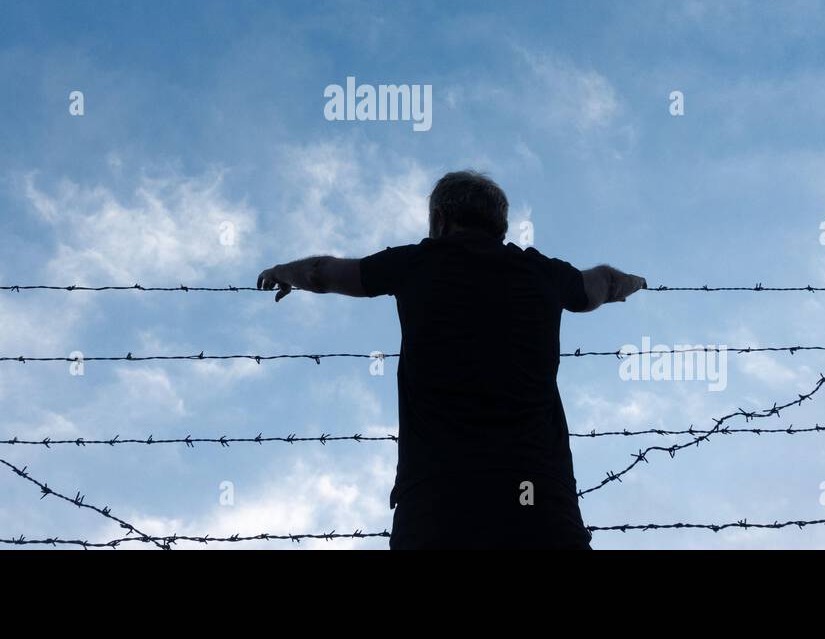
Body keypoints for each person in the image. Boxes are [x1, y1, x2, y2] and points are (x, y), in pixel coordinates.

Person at [257, 169, 647, 550]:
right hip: (537, 496)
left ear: (440, 220)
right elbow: (604, 284)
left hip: (437, 502)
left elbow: (322, 273)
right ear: (499, 227)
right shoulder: (542, 272)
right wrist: (635, 282)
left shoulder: (414, 264)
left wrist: (281, 272)